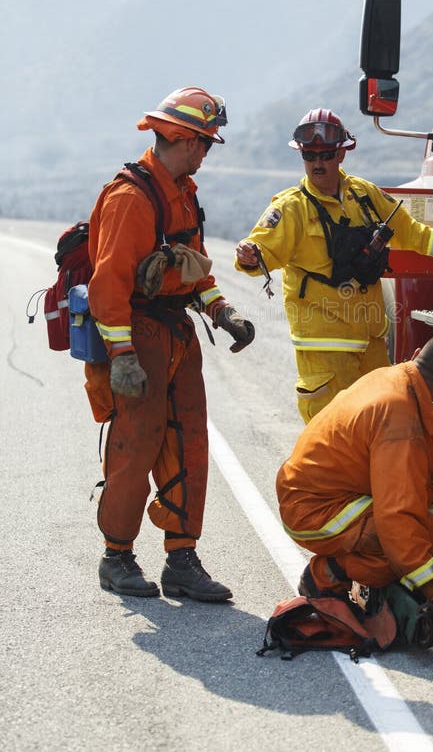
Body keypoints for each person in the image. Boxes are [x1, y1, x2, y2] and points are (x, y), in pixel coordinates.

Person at [85, 86, 255, 601]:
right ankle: (117, 557)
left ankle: (182, 558)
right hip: (139, 337)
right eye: (203, 142)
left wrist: (223, 310)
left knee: (188, 442)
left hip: (177, 336)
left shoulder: (183, 191)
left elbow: (195, 266)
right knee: (135, 444)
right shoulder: (130, 198)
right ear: (180, 138)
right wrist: (122, 356)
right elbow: (107, 286)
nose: (206, 152)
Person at [235, 108, 433, 423]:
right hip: (324, 352)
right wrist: (249, 257)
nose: (317, 162)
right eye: (310, 155)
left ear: (342, 155)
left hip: (371, 345)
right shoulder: (291, 208)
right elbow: (261, 250)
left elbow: (414, 234)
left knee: (376, 434)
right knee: (333, 446)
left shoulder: (364, 195)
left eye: (326, 154)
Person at [276, 335, 433, 613]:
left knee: (429, 530)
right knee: (422, 536)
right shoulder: (401, 420)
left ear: (416, 354)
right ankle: (327, 574)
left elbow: (426, 488)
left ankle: (352, 566)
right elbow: (397, 517)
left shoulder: (392, 378)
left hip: (308, 495)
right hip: (314, 512)